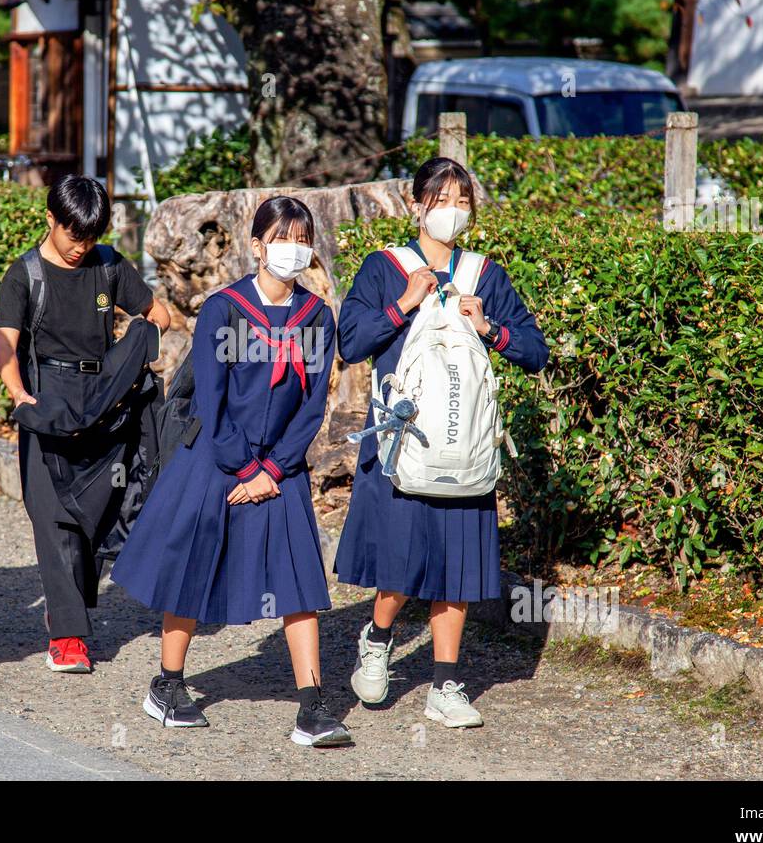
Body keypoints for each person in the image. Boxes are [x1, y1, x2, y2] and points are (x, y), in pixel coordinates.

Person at [111, 196, 352, 748]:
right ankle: (167, 684)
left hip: (281, 467)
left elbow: (314, 405)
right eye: (282, 238)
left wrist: (272, 470)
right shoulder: (225, 309)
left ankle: (312, 709)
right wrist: (245, 465)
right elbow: (211, 402)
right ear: (258, 245)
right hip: (217, 460)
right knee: (194, 567)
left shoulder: (316, 316)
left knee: (299, 583)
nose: (293, 249)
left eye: (302, 238)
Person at [333, 156, 549, 728]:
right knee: (401, 564)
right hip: (402, 442)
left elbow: (535, 350)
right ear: (416, 205)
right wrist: (403, 302)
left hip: (464, 441)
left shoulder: (485, 275)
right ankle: (377, 641)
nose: (451, 212)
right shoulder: (384, 268)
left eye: (461, 201)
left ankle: (446, 684)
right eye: (441, 199)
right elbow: (350, 343)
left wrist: (491, 328)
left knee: (455, 567)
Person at [0, 175, 170, 673]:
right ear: (51, 220)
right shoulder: (24, 275)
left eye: (89, 238)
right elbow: (6, 339)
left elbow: (160, 317)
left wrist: (134, 329)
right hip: (46, 400)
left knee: (96, 513)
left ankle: (72, 603)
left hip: (103, 400)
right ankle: (68, 636)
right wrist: (17, 392)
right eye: (73, 236)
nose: (80, 248)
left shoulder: (109, 264)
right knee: (52, 519)